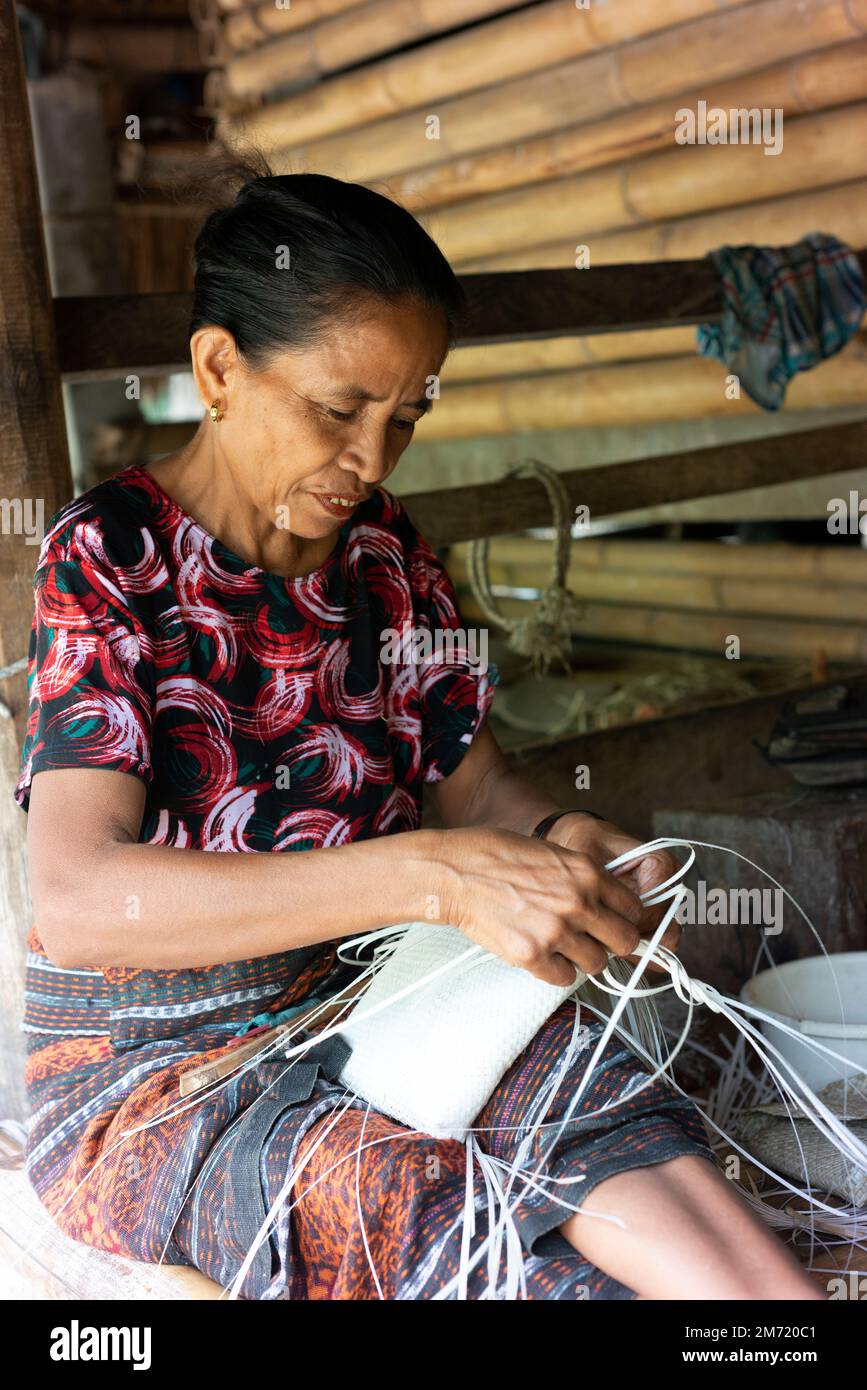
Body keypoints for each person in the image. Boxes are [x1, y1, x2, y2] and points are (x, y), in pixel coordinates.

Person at [16, 165, 820, 1301]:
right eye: (338, 410)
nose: (373, 458)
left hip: (379, 1001)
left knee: (602, 1113)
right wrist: (432, 879)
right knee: (419, 1200)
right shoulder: (110, 556)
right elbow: (80, 895)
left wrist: (564, 834)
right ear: (217, 370)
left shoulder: (387, 558)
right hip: (162, 1076)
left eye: (407, 415)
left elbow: (477, 789)